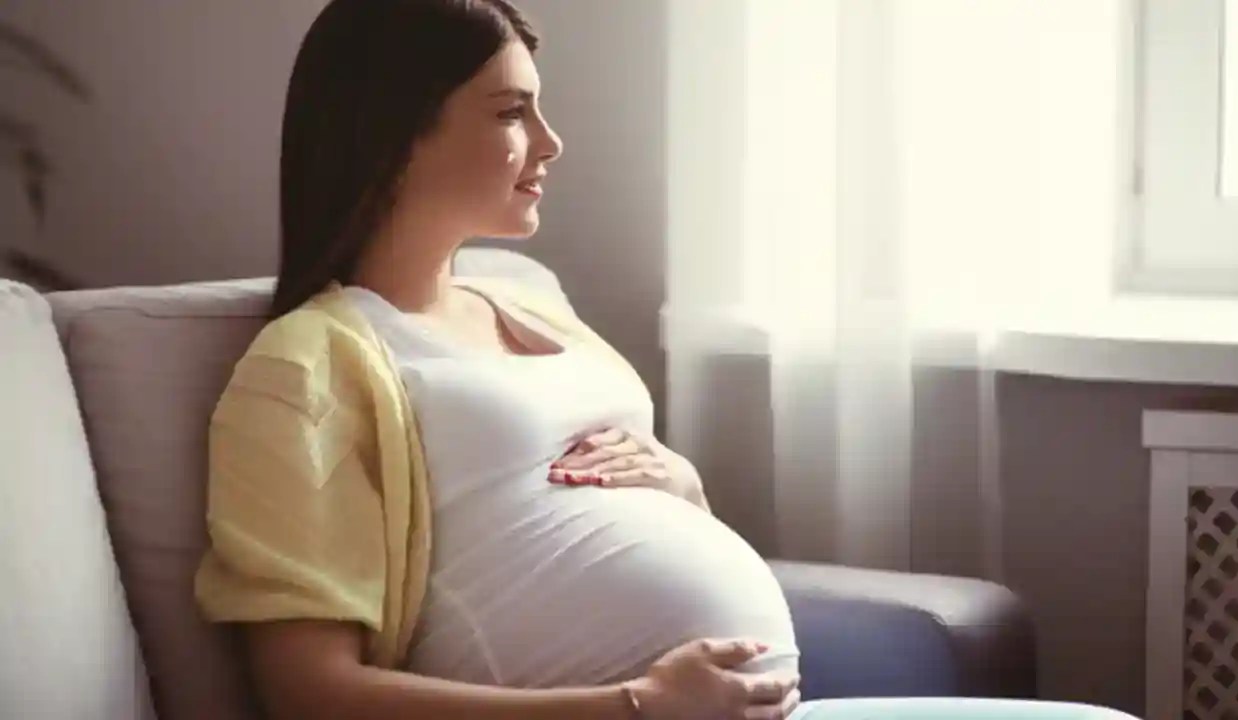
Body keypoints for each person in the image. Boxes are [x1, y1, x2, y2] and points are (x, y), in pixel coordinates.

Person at [194, 1, 805, 718]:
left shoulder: (529, 305)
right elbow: (307, 694)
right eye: (512, 112)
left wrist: (685, 487)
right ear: (393, 134)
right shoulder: (306, 363)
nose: (551, 144)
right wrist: (635, 706)